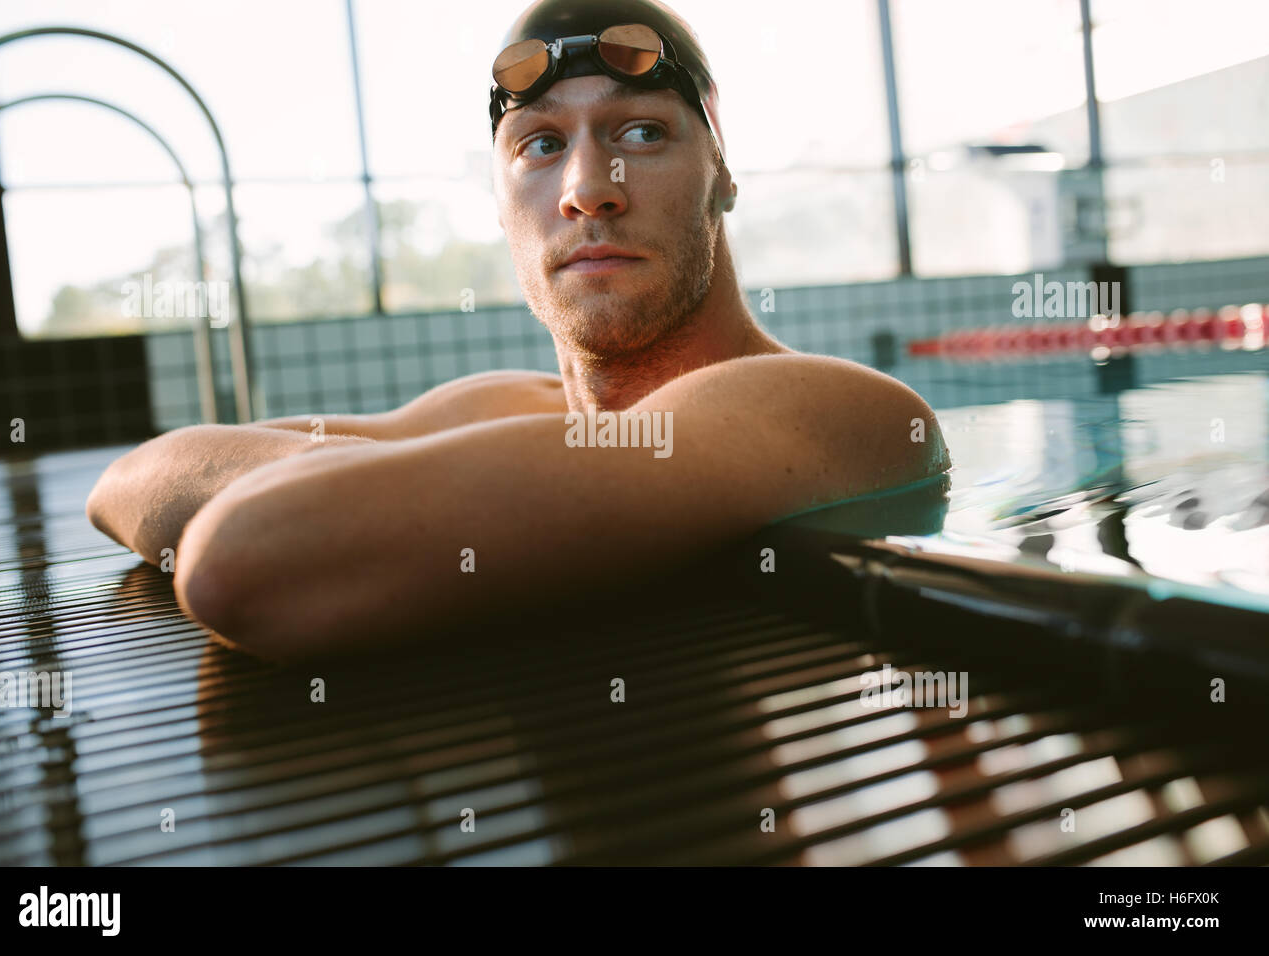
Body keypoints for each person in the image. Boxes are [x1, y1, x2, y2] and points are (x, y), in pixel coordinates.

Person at [86, 0, 950, 659]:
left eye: (641, 132)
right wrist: (427, 483)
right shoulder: (507, 412)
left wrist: (383, 488)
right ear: (501, 205)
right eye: (539, 145)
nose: (587, 187)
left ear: (720, 172)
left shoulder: (834, 409)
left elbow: (241, 557)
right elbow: (130, 482)